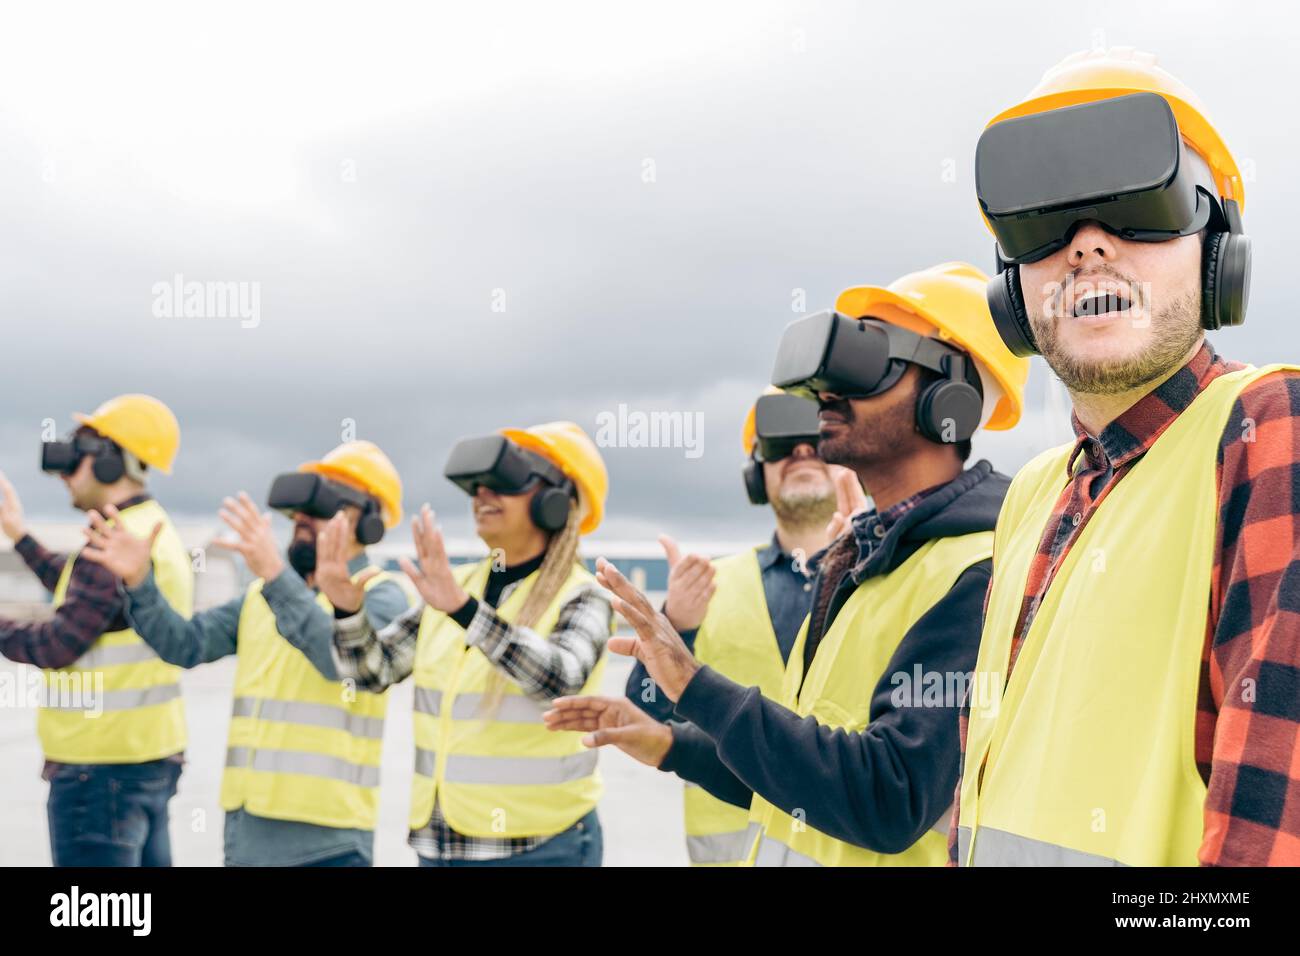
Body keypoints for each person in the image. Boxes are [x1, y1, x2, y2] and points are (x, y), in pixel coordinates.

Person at [547, 263, 1029, 866]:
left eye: (867, 363)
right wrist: (671, 745)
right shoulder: (861, 562)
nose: (828, 392)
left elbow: (889, 798)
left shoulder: (977, 569)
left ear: (948, 396)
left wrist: (697, 687)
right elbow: (801, 779)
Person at [953, 48, 1300, 867]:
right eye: (1045, 225)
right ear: (1012, 290)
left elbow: (1270, 835)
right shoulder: (1034, 492)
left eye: (1143, 208)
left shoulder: (1266, 429)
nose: (1087, 247)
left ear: (1218, 254)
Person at [79, 441, 410, 867]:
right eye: (298, 513)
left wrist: (275, 574)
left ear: (368, 523)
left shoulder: (381, 594)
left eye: (321, 507)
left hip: (332, 845)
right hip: (247, 836)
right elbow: (185, 644)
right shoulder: (260, 596)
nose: (303, 520)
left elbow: (343, 665)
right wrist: (140, 581)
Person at [315, 422, 614, 866]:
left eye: (503, 483)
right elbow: (371, 673)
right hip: (442, 844)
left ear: (558, 501)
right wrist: (347, 612)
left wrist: (464, 611)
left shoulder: (582, 593)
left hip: (539, 848)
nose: (481, 496)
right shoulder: (454, 586)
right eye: (476, 486)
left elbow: (560, 678)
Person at [625, 389, 839, 865]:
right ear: (755, 476)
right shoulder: (709, 586)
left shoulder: (896, 577)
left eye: (818, 439)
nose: (801, 453)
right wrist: (676, 627)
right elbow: (643, 717)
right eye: (781, 446)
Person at [0, 395, 192, 866]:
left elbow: (55, 644)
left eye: (76, 455)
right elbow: (82, 592)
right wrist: (19, 535)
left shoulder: (113, 543)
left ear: (109, 463)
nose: (65, 471)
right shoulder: (150, 529)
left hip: (99, 771)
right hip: (147, 757)